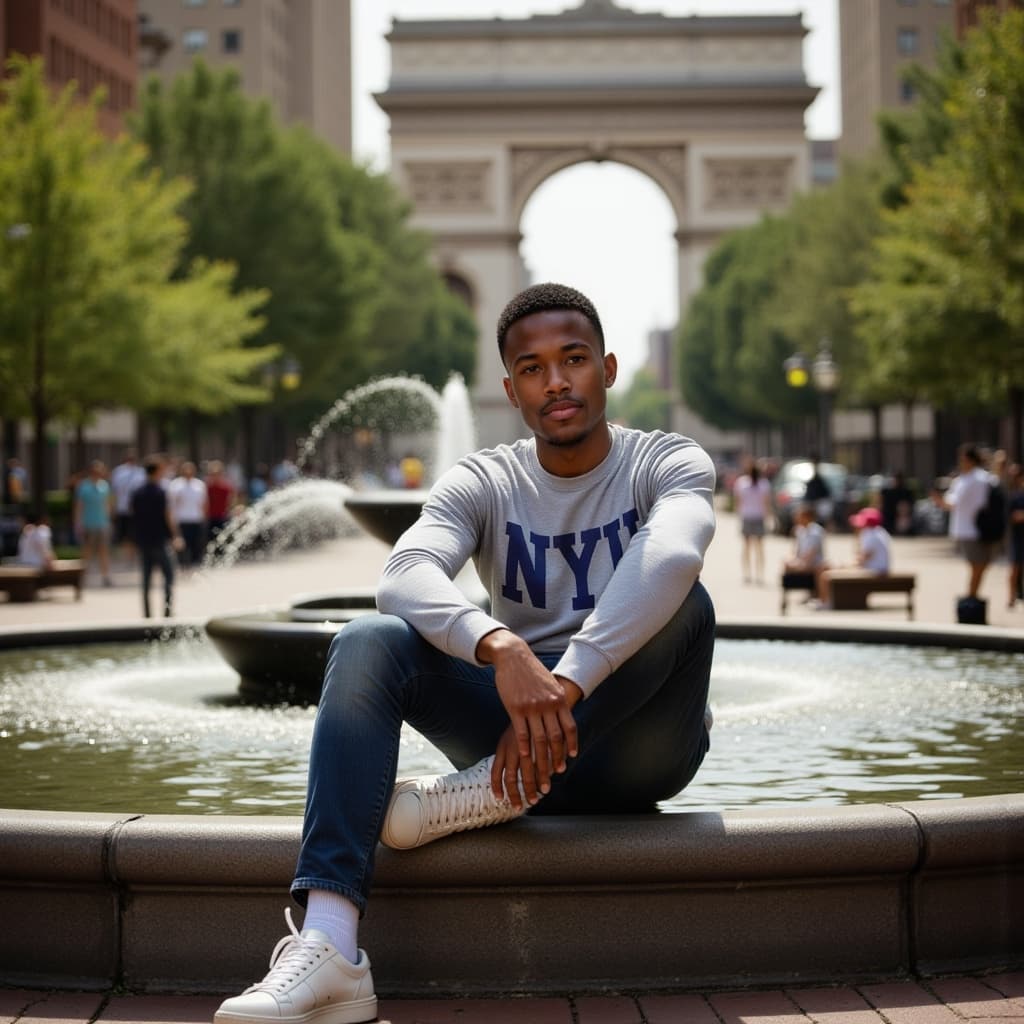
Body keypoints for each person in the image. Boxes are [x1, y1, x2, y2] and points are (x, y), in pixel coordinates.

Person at [213, 283, 717, 1024]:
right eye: (534, 367)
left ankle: (498, 791)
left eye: (573, 359)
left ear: (607, 369)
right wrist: (498, 644)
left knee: (687, 604)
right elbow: (403, 574)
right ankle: (330, 946)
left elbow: (674, 554)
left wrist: (566, 684)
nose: (557, 381)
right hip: (505, 743)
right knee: (365, 642)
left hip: (639, 750)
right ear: (511, 389)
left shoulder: (665, 461)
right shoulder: (486, 479)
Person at [942, 444, 998, 600]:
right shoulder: (965, 479)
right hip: (969, 528)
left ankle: (972, 595)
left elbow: (956, 502)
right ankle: (972, 595)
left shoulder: (978, 478)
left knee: (978, 564)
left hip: (975, 528)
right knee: (977, 564)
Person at [131, 456, 182, 618]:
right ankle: (167, 612)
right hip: (160, 540)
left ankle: (147, 615)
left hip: (144, 540)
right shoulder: (160, 492)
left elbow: (133, 517)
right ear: (156, 471)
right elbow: (167, 516)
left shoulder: (137, 493)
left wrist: (133, 539)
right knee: (169, 575)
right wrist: (176, 535)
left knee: (146, 578)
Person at [816, 506, 891, 607]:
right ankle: (825, 602)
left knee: (826, 574)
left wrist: (843, 566)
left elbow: (862, 560)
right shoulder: (879, 532)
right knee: (828, 567)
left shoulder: (870, 535)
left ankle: (825, 603)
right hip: (876, 569)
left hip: (874, 571)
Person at [732, 457, 771, 583]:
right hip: (759, 517)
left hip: (747, 516)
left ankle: (747, 575)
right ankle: (759, 575)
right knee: (759, 548)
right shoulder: (764, 484)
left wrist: (739, 514)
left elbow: (738, 502)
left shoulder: (741, 483)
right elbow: (766, 504)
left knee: (746, 548)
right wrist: (768, 517)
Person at [74, 460, 113, 586]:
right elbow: (79, 506)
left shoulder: (104, 486)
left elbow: (107, 504)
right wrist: (78, 523)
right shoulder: (83, 486)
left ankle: (106, 577)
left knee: (104, 551)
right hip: (88, 523)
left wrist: (109, 520)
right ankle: (82, 577)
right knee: (87, 551)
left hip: (102, 523)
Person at [168, 461, 208, 570]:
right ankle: (183, 565)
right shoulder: (176, 485)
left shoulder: (199, 485)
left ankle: (195, 564)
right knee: (183, 545)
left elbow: (204, 502)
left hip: (196, 518)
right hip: (182, 519)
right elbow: (172, 504)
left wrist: (204, 517)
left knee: (196, 544)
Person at [783, 502, 827, 598]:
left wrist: (800, 563)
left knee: (819, 568)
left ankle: (819, 597)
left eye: (799, 516)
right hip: (803, 561)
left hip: (815, 563)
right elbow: (796, 551)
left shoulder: (816, 531)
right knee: (786, 563)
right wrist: (793, 560)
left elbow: (812, 553)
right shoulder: (799, 530)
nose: (796, 518)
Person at [110, 449, 145, 562]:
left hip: (131, 509)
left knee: (131, 535)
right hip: (127, 509)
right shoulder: (121, 472)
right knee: (127, 535)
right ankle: (129, 556)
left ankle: (131, 556)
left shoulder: (139, 472)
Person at [204, 460, 236, 541]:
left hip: (223, 517)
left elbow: (232, 501)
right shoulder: (206, 487)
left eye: (217, 474)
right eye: (212, 474)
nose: (215, 476)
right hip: (210, 518)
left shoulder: (226, 486)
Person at [1007, 462, 1024, 609]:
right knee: (1014, 569)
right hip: (1017, 537)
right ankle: (1011, 598)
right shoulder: (1013, 496)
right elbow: (1010, 516)